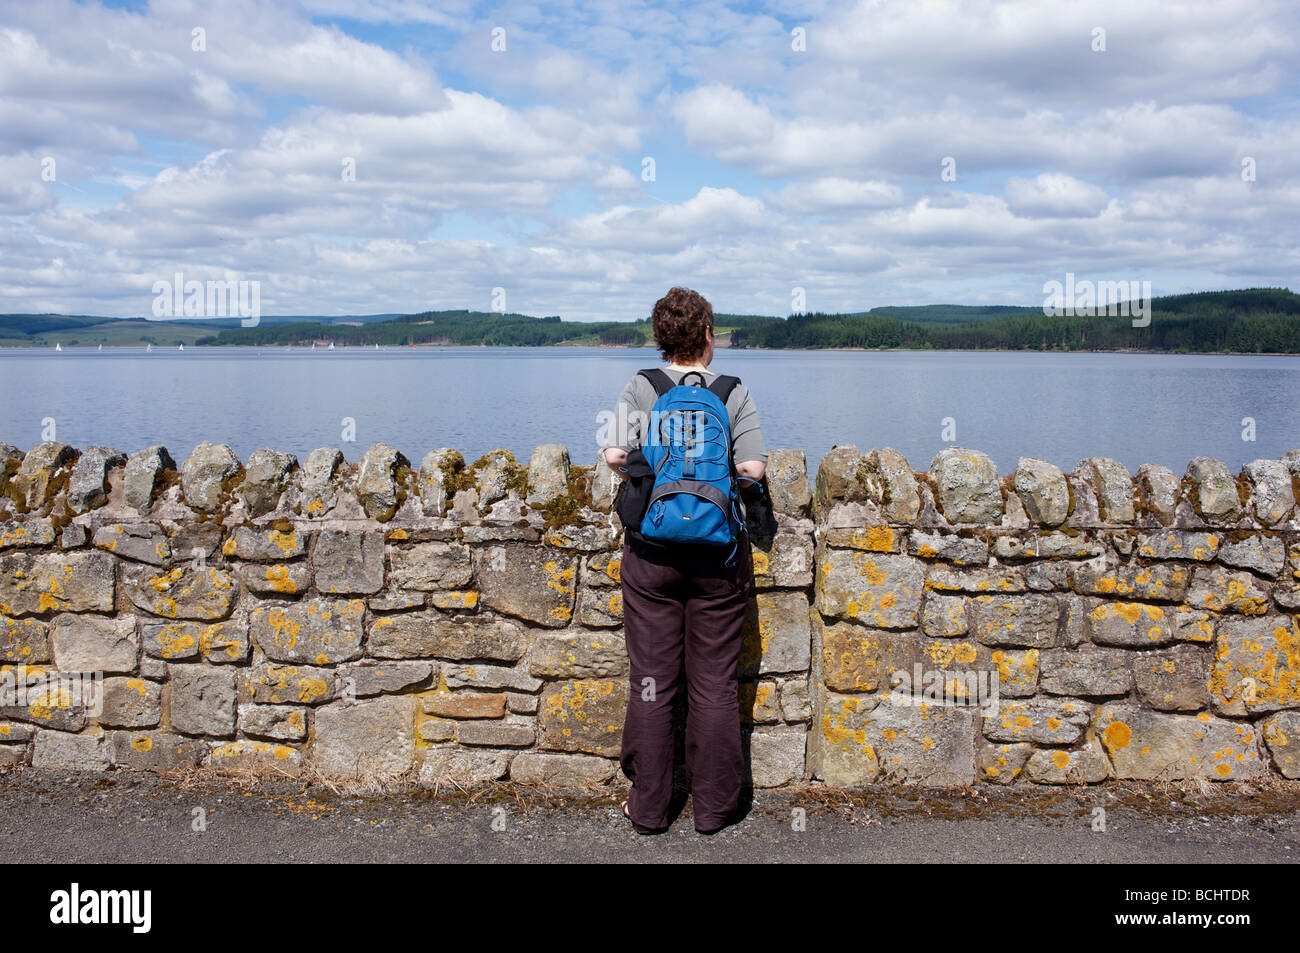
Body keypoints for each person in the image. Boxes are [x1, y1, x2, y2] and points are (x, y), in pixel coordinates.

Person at [601, 286, 767, 835]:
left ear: (661, 338)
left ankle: (649, 808)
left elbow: (616, 456)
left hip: (652, 553)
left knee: (651, 680)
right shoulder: (731, 390)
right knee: (715, 683)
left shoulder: (641, 386)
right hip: (719, 556)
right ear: (707, 336)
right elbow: (753, 469)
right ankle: (715, 808)